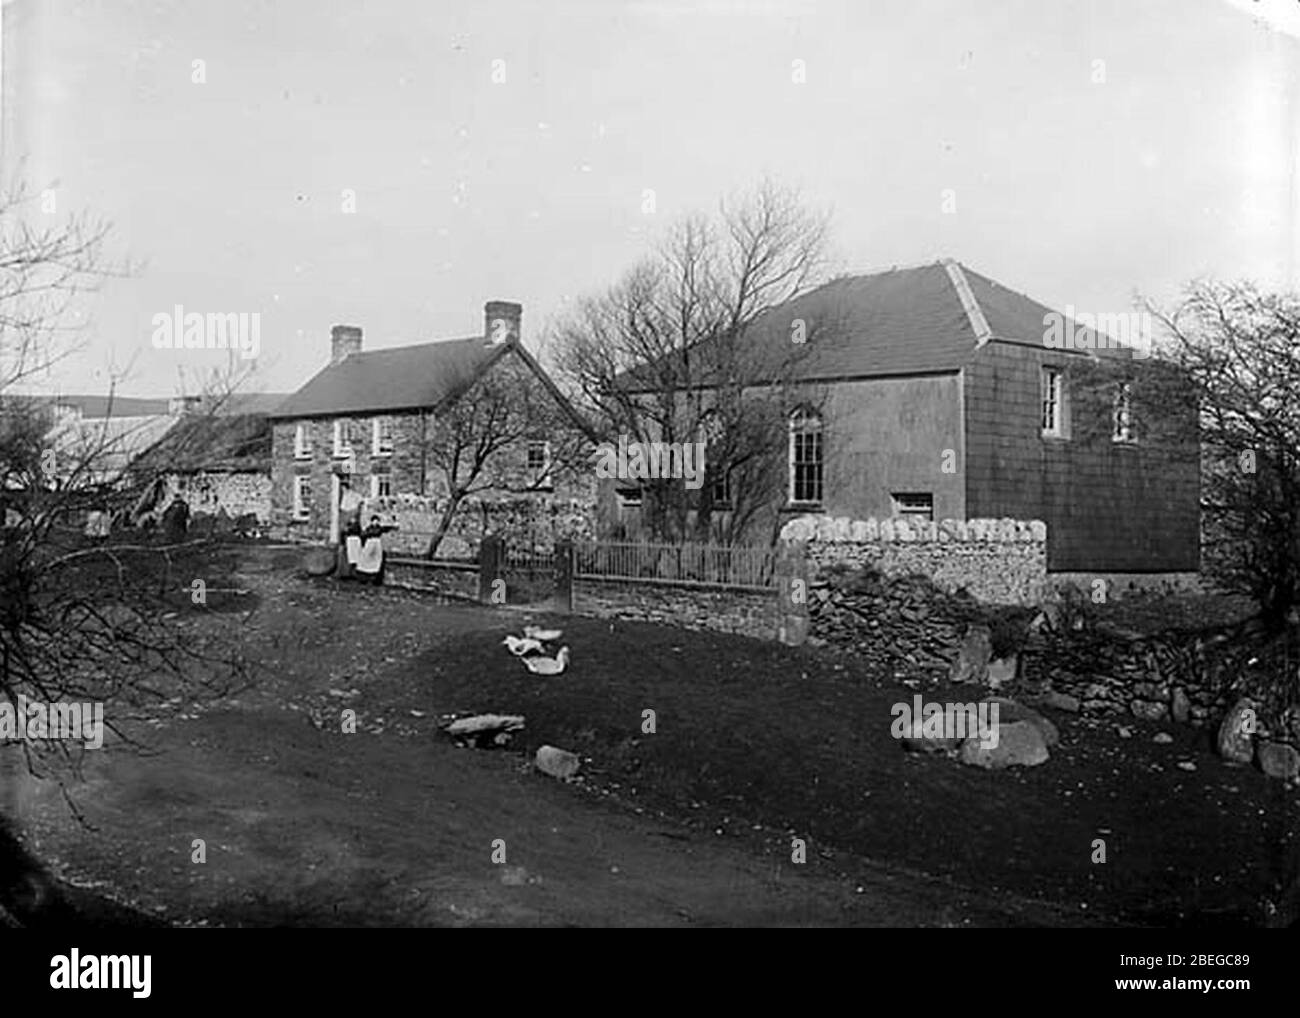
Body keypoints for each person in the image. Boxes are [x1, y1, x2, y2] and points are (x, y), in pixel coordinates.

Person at [354, 514, 395, 585]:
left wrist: (393, 526)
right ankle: (363, 576)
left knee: (377, 559)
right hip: (370, 543)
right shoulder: (369, 528)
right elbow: (363, 535)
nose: (375, 522)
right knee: (365, 558)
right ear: (372, 521)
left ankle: (374, 577)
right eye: (374, 521)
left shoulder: (380, 528)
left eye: (377, 521)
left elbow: (385, 529)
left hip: (377, 544)